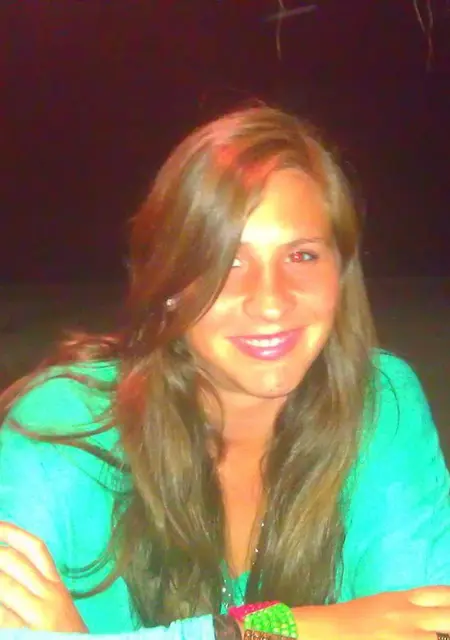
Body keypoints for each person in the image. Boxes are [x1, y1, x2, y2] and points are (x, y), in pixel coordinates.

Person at [1, 105, 450, 640]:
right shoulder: (63, 430)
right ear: (170, 282)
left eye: (302, 256)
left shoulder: (380, 404)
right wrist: (286, 629)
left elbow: (422, 627)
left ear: (342, 272)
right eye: (228, 261)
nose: (270, 301)